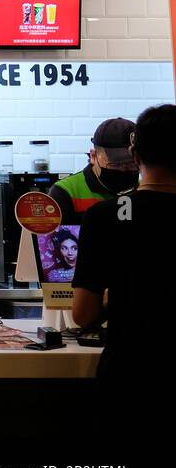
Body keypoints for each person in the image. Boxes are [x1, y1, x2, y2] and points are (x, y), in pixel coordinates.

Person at [73, 104, 176, 425]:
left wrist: (113, 297)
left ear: (136, 153)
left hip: (130, 379)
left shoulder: (107, 216)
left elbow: (83, 314)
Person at [47, 117, 138, 219]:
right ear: (93, 156)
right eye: (115, 164)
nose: (123, 169)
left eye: (131, 163)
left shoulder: (146, 188)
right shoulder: (65, 192)